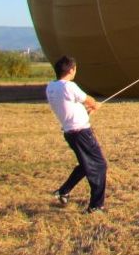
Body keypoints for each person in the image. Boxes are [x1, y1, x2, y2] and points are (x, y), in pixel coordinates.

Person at [46, 56, 107, 214]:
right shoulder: (69, 86)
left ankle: (63, 191)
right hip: (81, 133)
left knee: (85, 165)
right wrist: (95, 105)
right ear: (71, 70)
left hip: (70, 131)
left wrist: (87, 111)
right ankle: (95, 206)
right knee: (99, 166)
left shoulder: (51, 87)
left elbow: (69, 108)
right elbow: (88, 99)